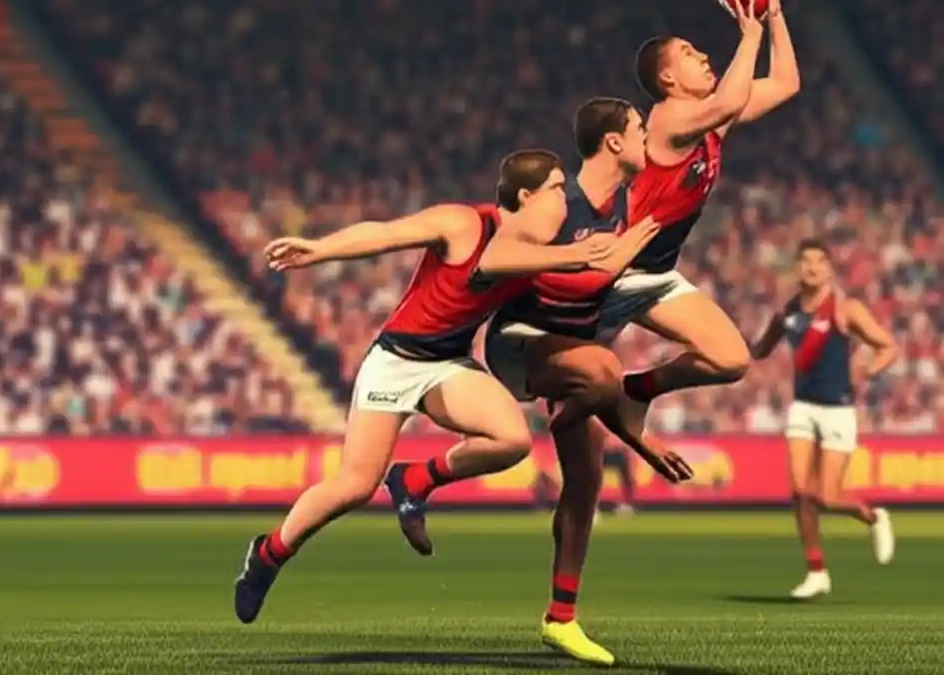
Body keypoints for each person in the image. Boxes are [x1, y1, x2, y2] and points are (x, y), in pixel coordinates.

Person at [232, 149, 657, 625]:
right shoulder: (464, 224)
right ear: (526, 196)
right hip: (395, 360)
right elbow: (387, 234)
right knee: (354, 485)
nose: (567, 198)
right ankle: (268, 554)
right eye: (558, 189)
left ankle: (415, 479)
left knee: (512, 440)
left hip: (448, 364)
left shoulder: (541, 253)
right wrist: (320, 249)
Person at [482, 97, 693, 667]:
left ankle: (561, 619)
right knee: (604, 373)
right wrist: (581, 258)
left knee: (586, 480)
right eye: (641, 128)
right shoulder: (560, 201)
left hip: (575, 359)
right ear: (615, 143)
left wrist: (642, 443)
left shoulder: (629, 205)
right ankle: (570, 410)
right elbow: (493, 257)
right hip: (520, 340)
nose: (650, 135)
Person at [605, 0, 801, 422]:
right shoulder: (666, 122)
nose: (704, 55)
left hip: (653, 277)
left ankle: (636, 389)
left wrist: (773, 15)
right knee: (569, 412)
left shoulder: (710, 121)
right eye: (690, 54)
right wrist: (749, 33)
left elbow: (786, 83)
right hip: (609, 277)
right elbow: (728, 103)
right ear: (668, 77)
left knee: (732, 359)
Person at [750, 239, 899, 599]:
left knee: (827, 497)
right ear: (797, 268)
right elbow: (759, 349)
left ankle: (873, 516)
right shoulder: (787, 313)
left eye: (819, 261)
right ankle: (816, 570)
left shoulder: (845, 310)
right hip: (803, 407)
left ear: (829, 269)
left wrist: (865, 371)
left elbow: (889, 347)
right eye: (805, 261)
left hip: (837, 410)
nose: (812, 268)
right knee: (800, 491)